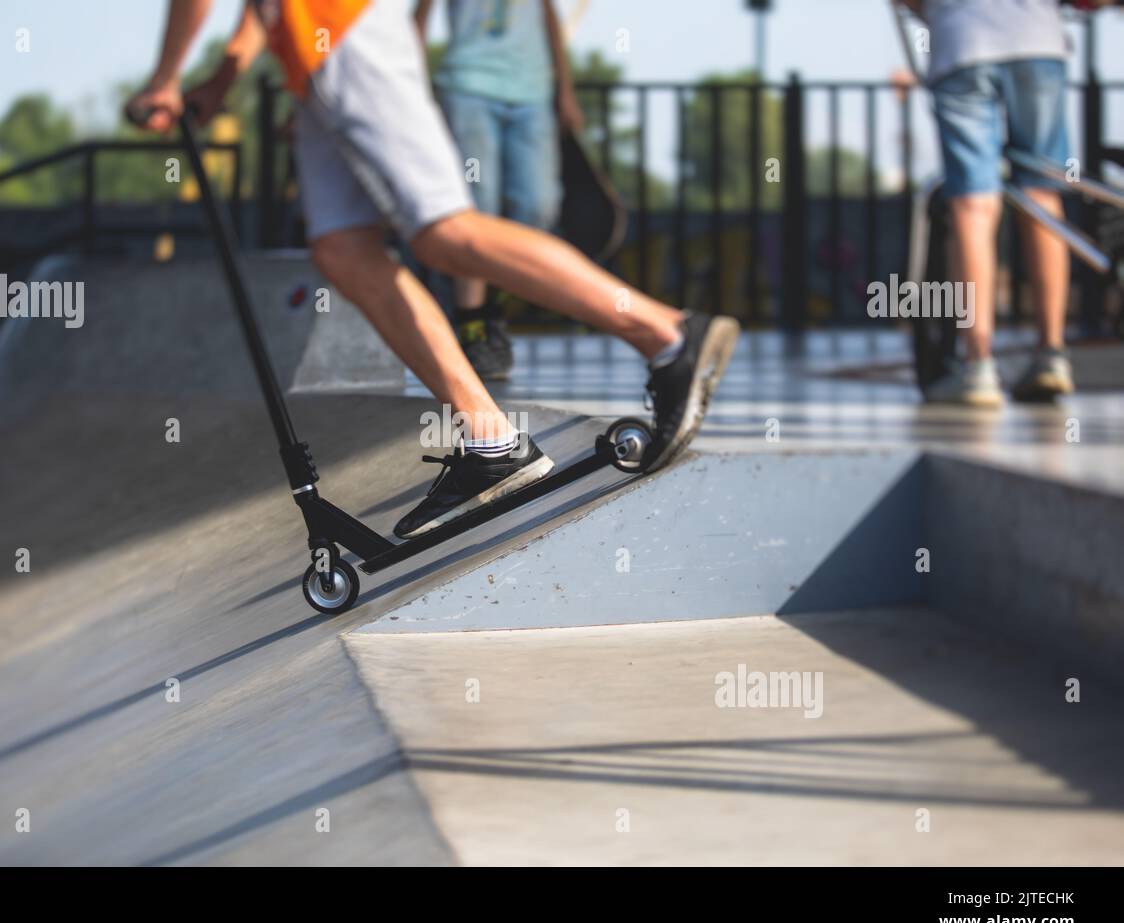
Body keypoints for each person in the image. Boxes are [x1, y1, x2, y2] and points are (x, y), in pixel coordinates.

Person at [127, 0, 737, 539]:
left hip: (344, 30)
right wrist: (224, 76)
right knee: (342, 246)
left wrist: (165, 77)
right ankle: (489, 439)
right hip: (311, 51)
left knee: (445, 230)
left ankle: (666, 333)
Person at [897, 0, 1102, 406]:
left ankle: (978, 365)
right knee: (1041, 195)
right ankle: (1051, 352)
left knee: (973, 205)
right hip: (1036, 41)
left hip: (963, 42)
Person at [414, 0, 584, 381]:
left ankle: (489, 300)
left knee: (538, 207)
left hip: (532, 92)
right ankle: (473, 323)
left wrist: (565, 89)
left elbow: (549, 19)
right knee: (477, 208)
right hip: (467, 86)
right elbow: (420, 19)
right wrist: (416, 90)